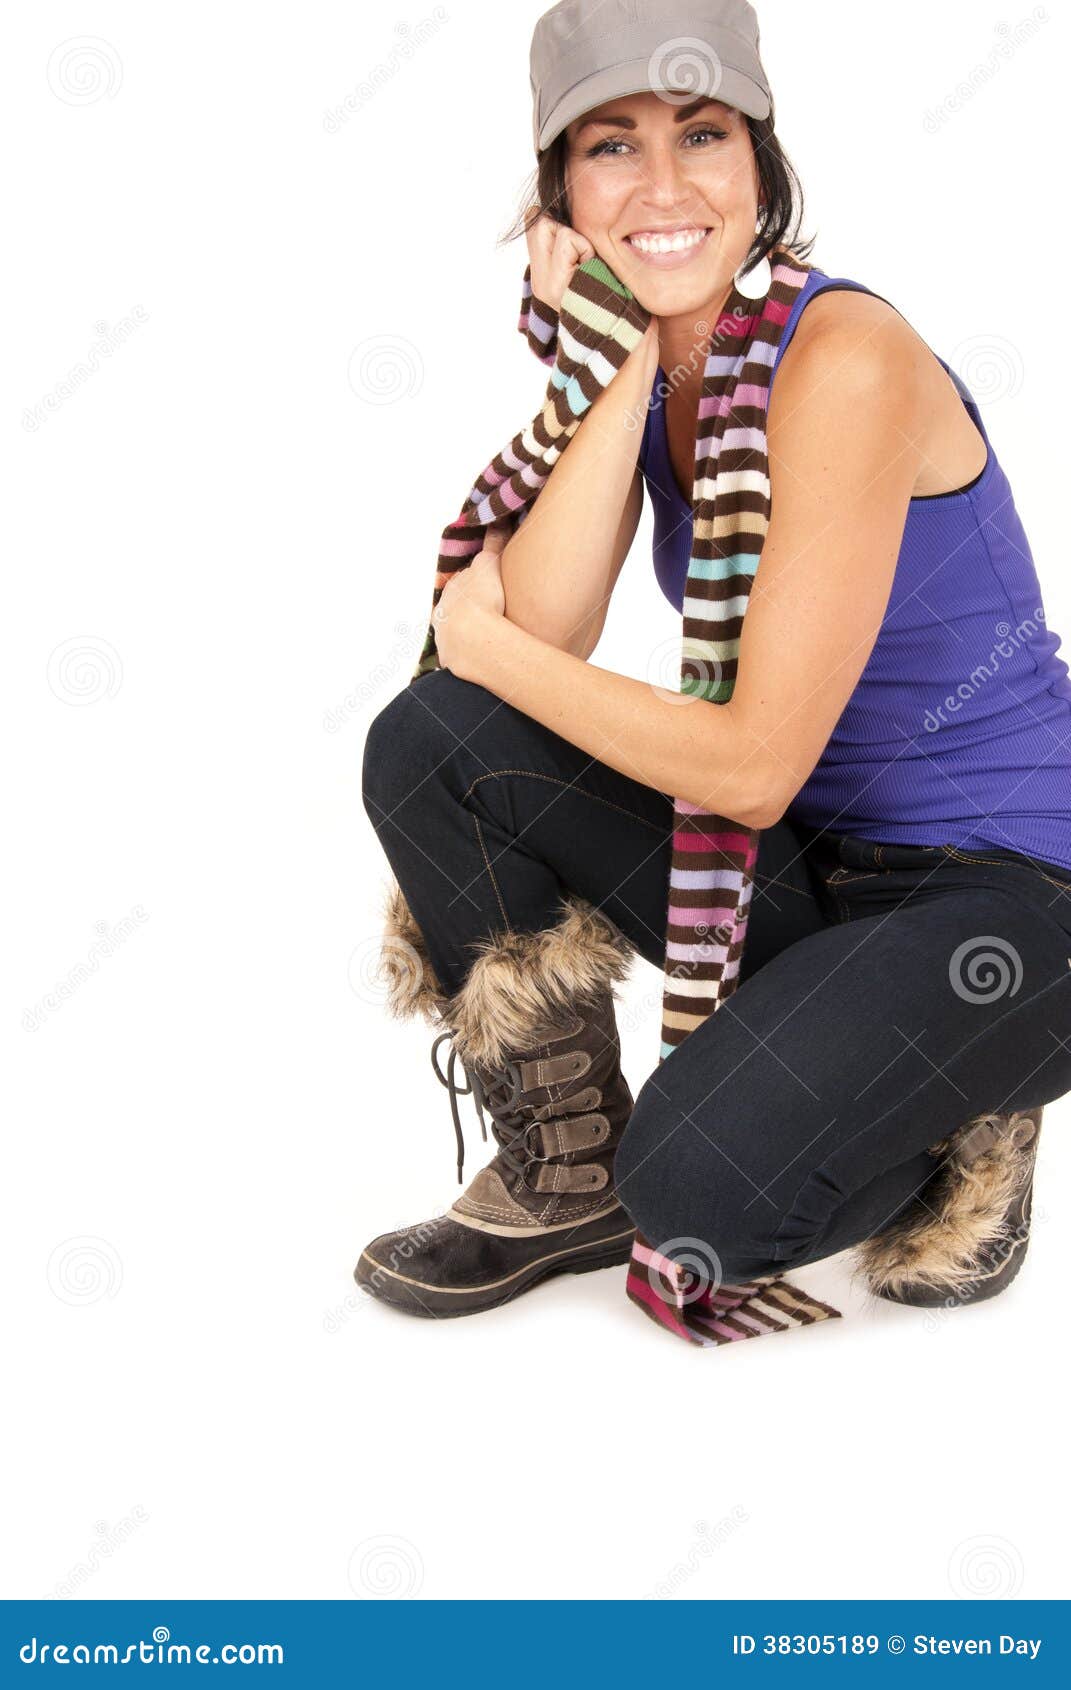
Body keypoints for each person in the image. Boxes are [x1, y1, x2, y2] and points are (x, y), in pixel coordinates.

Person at [355, 0, 1071, 1322]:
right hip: (818, 872)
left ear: (762, 164)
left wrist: (487, 640)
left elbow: (745, 765)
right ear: (561, 189)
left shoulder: (843, 360)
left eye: (703, 135)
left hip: (1015, 898)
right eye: (613, 148)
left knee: (698, 1191)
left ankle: (966, 1103)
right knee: (434, 743)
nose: (667, 185)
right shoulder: (669, 364)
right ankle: (567, 1171)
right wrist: (619, 365)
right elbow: (540, 645)